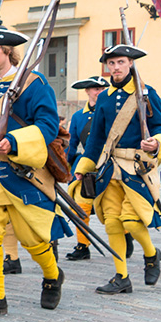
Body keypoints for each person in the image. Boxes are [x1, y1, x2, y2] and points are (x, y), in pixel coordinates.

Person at [0, 27, 69, 316]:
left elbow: (47, 124)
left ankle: (53, 276)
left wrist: (16, 141)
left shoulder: (35, 83)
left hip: (23, 172)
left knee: (32, 240)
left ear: (7, 51)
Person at [75, 44, 161, 294]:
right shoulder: (105, 97)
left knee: (132, 219)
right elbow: (96, 137)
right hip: (110, 167)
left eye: (120, 62)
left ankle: (152, 255)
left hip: (137, 167)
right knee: (111, 223)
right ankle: (122, 276)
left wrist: (156, 142)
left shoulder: (146, 93)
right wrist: (85, 165)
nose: (115, 68)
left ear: (130, 64)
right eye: (111, 63)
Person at [63, 76, 110, 261]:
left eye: (101, 88)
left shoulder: (111, 112)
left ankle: (125, 234)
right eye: (95, 89)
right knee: (80, 207)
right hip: (85, 165)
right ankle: (83, 245)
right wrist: (65, 167)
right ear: (87, 92)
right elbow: (72, 143)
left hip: (108, 164)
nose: (98, 92)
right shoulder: (77, 117)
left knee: (112, 207)